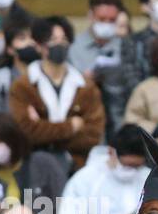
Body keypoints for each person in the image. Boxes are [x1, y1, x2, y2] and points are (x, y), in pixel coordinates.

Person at [9, 16, 105, 170]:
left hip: (77, 166)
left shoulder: (86, 87)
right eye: (53, 39)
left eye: (64, 39)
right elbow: (25, 133)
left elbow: (92, 135)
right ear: (39, 45)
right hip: (36, 167)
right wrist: (71, 127)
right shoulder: (23, 86)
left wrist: (43, 129)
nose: (59, 44)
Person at [68, 0, 143, 141]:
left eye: (112, 20)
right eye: (102, 19)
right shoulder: (73, 47)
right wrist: (83, 80)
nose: (107, 24)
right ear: (90, 16)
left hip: (120, 121)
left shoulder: (128, 47)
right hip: (85, 123)